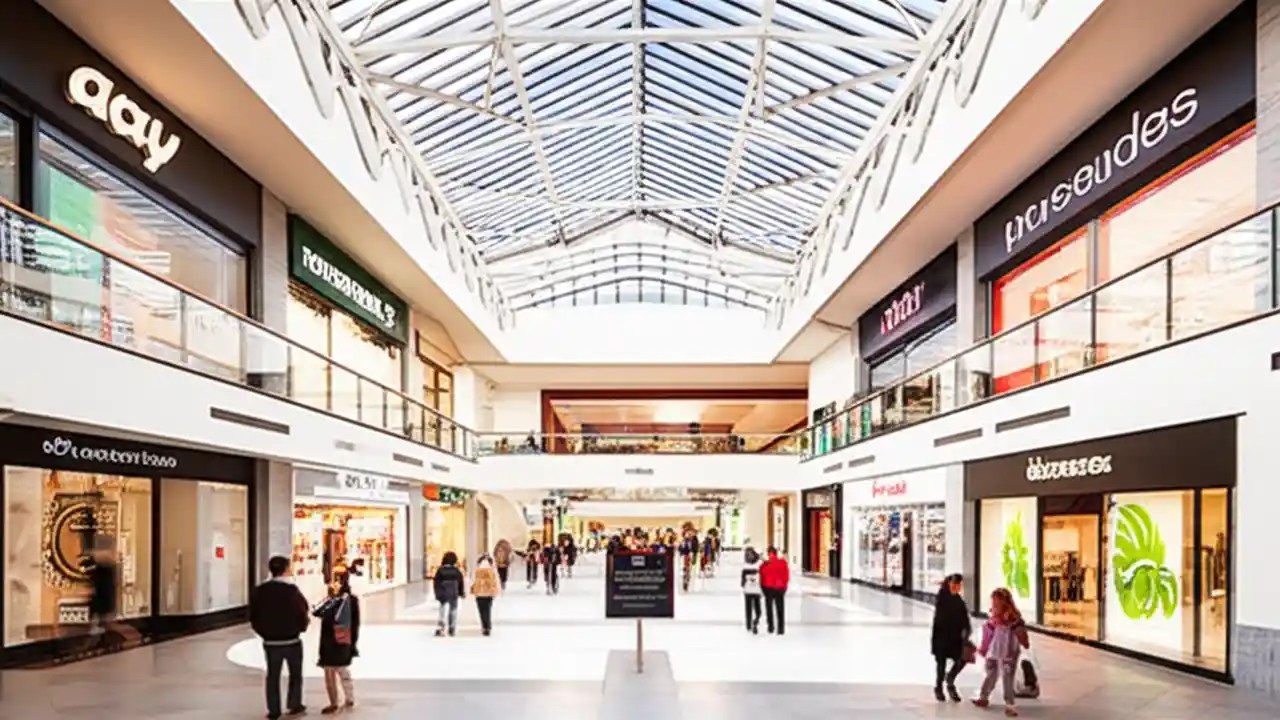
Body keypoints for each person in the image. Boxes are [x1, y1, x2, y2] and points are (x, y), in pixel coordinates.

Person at [250, 555, 311, 720]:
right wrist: (301, 627)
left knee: (272, 675)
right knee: (295, 674)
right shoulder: (292, 591)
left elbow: (253, 615)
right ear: (286, 569)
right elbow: (302, 611)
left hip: (271, 642)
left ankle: (274, 709)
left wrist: (263, 632)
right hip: (292, 640)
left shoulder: (260, 591)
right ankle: (294, 704)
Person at [973, 588, 1031, 717]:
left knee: (1007, 678)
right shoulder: (993, 618)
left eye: (997, 603)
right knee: (990, 674)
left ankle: (1010, 705)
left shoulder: (1014, 619)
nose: (994, 606)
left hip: (1009, 652)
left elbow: (1023, 637)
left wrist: (1022, 637)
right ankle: (983, 697)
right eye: (993, 603)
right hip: (994, 651)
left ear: (1005, 603)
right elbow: (988, 634)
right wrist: (984, 648)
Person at [313, 571, 360, 715]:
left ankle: (335, 702)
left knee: (332, 671)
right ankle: (348, 698)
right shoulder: (346, 600)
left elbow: (320, 614)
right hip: (340, 640)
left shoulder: (339, 601)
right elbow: (355, 623)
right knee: (341, 669)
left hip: (332, 641)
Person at [931, 573, 971, 703]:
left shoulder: (959, 601)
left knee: (961, 659)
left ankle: (950, 680)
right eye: (954, 584)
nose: (956, 587)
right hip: (942, 637)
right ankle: (939, 687)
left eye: (958, 585)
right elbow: (940, 620)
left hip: (956, 638)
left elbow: (965, 619)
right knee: (941, 664)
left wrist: (966, 631)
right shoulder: (942, 599)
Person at [433, 551, 465, 637]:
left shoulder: (440, 570)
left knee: (442, 609)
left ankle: (441, 626)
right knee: (453, 609)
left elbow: (436, 583)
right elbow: (461, 582)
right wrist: (461, 593)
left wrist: (437, 593)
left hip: (443, 592)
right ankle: (452, 627)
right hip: (453, 592)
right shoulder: (456, 571)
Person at [759, 546, 790, 635]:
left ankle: (771, 627)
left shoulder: (765, 565)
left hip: (768, 588)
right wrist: (784, 588)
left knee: (769, 608)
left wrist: (763, 589)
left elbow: (762, 576)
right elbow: (786, 577)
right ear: (776, 553)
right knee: (780, 609)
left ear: (769, 553)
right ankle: (781, 629)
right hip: (780, 588)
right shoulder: (783, 563)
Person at [472, 554, 501, 636]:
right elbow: (494, 582)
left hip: (479, 593)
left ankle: (484, 626)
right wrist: (496, 591)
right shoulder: (491, 570)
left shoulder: (477, 570)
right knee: (488, 610)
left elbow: (474, 581)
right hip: (489, 593)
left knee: (481, 610)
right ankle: (487, 626)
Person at [741, 547, 763, 634]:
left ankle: (748, 625)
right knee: (758, 610)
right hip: (757, 590)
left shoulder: (744, 567)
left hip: (748, 591)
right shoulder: (759, 565)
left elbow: (742, 583)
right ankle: (755, 621)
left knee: (748, 609)